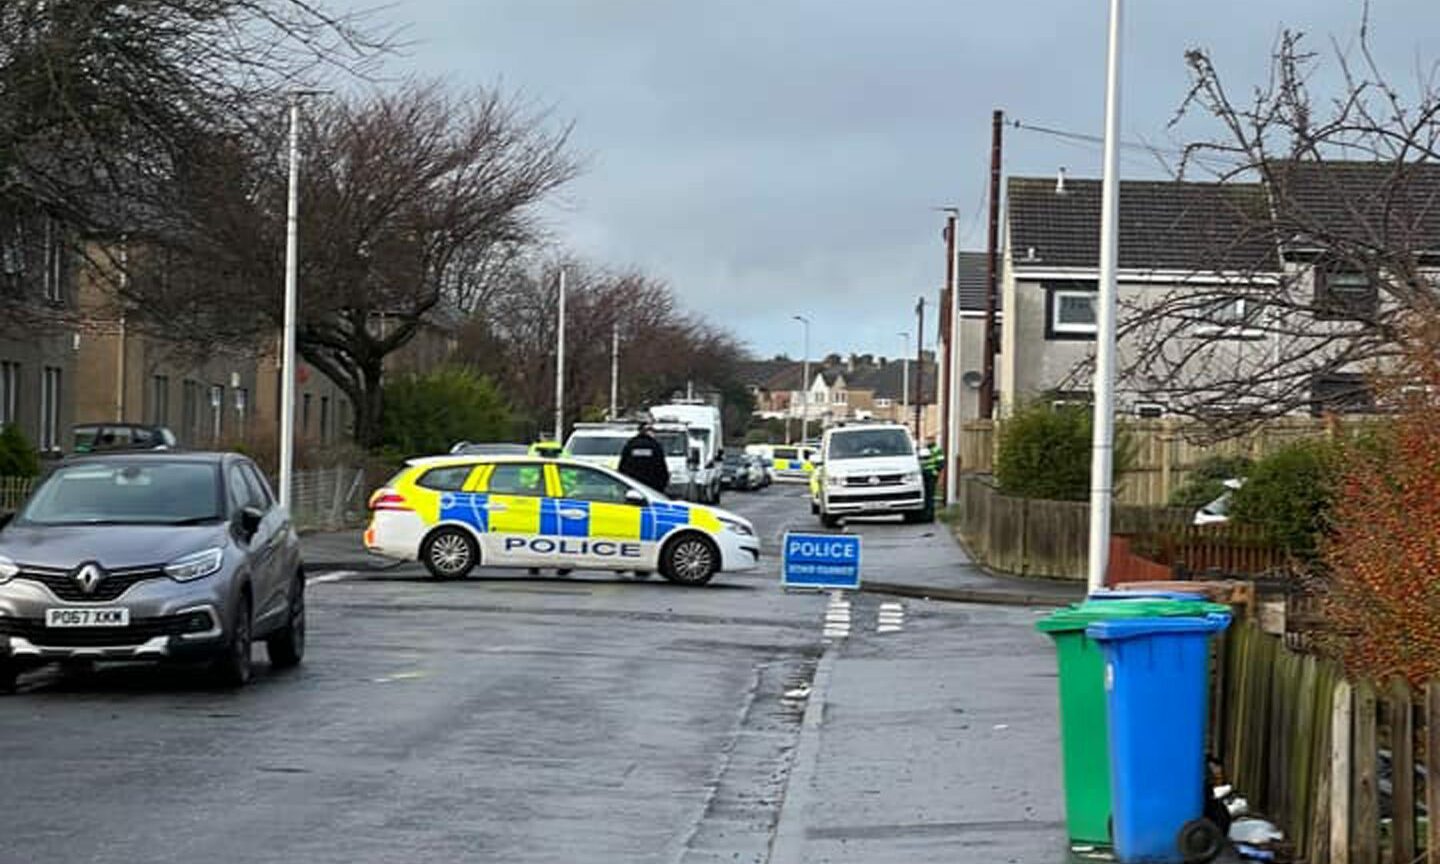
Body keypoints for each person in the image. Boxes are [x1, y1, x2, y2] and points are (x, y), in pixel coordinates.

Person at [617, 423, 670, 494]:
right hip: (652, 486)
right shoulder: (655, 445)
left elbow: (622, 465)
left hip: (632, 484)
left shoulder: (631, 444)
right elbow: (661, 467)